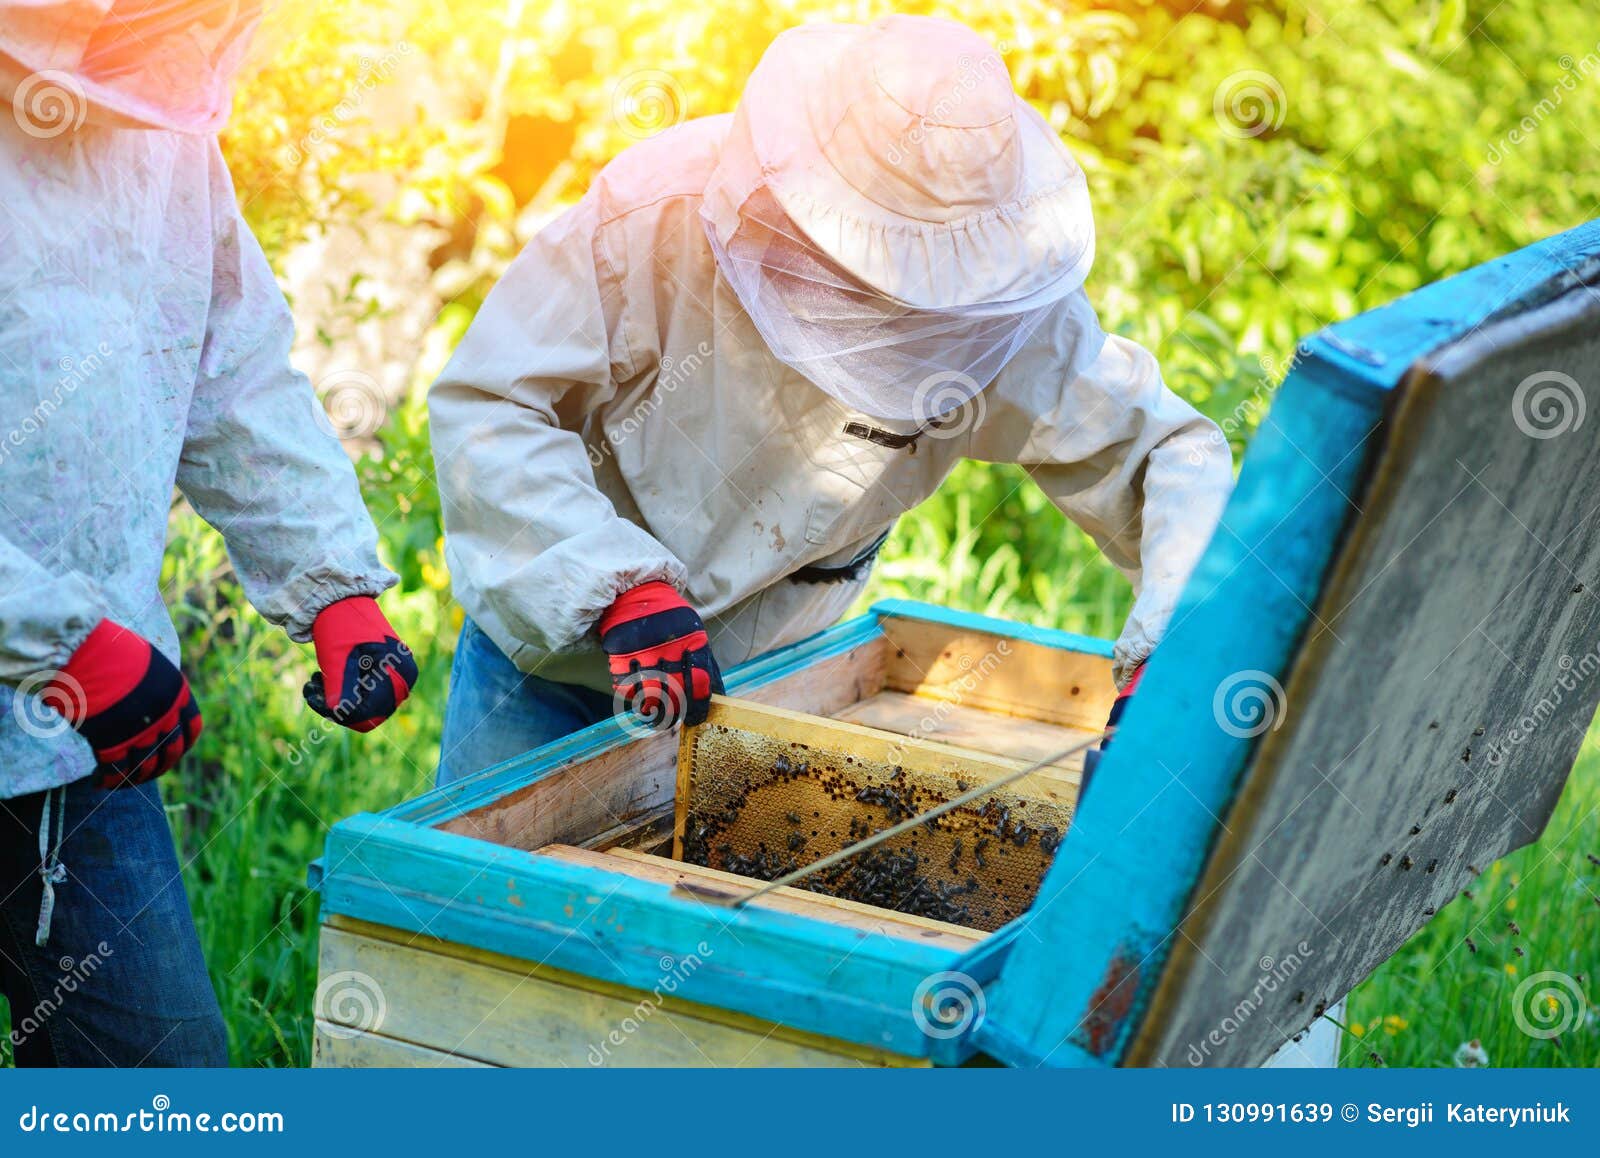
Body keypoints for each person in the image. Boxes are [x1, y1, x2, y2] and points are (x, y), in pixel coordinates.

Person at [429, 15, 1231, 785]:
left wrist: (1177, 644)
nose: (893, 308)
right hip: (553, 659)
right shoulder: (655, 214)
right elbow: (493, 407)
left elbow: (1161, 452)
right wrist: (614, 583)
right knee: (470, 912)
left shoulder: (1000, 295)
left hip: (765, 684)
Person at [0, 2, 416, 1066]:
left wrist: (334, 589)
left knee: (163, 1088)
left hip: (77, 743)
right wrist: (52, 640)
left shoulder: (161, 125)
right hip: (77, 677)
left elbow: (233, 373)